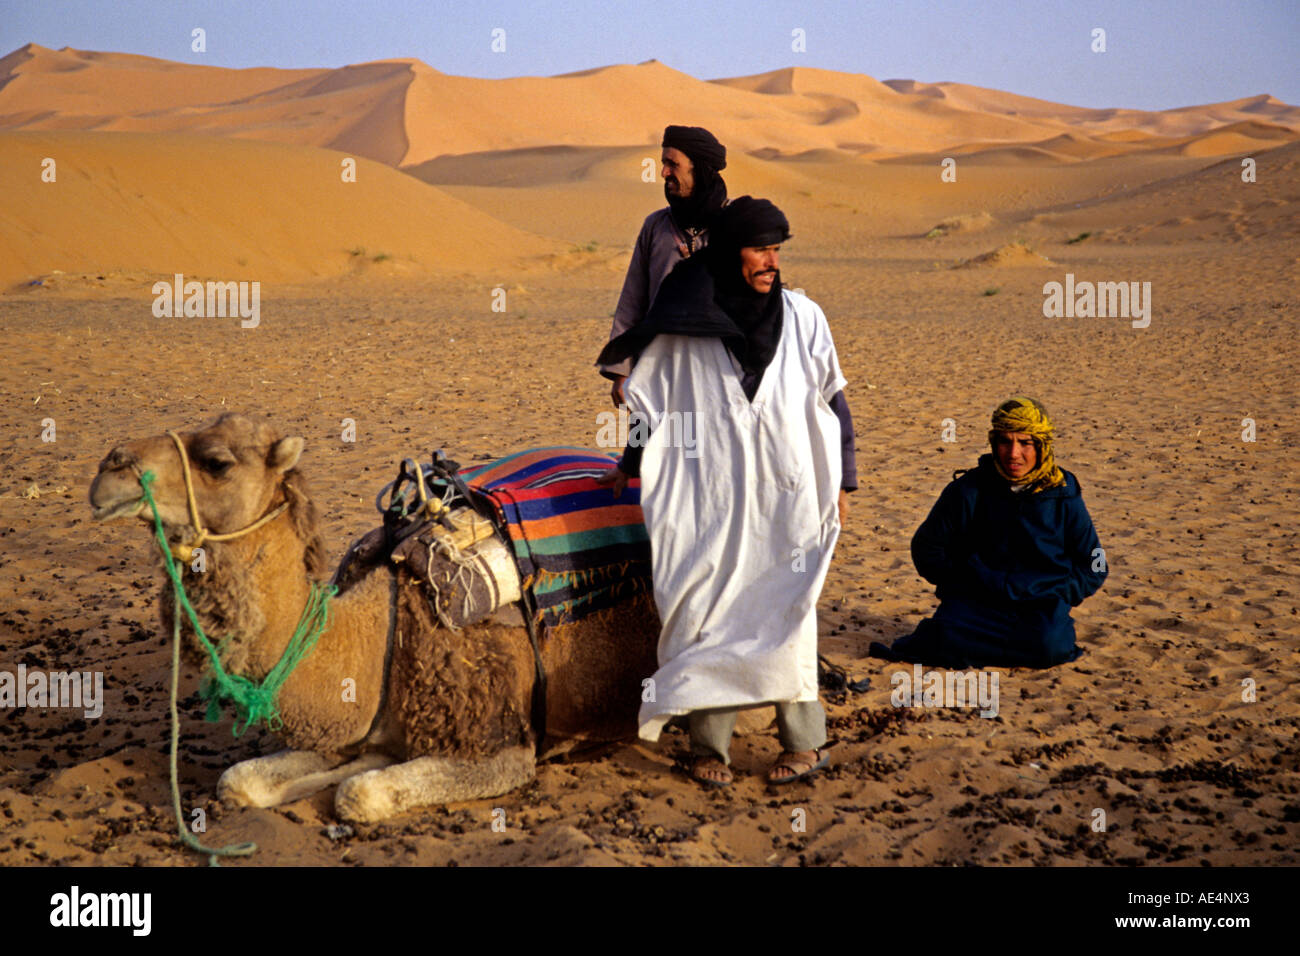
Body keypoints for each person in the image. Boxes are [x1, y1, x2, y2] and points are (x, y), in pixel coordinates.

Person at [596, 197, 856, 788]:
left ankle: (807, 742)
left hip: (789, 495)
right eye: (761, 249)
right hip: (708, 496)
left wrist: (845, 479)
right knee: (708, 610)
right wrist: (630, 463)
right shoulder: (684, 330)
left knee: (788, 609)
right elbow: (649, 405)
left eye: (777, 251)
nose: (772, 261)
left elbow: (834, 403)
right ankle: (708, 748)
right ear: (729, 251)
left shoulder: (804, 316)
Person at [871, 397, 1106, 669]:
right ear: (994, 443)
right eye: (1005, 441)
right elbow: (926, 547)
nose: (1013, 453)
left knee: (1049, 647)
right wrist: (959, 584)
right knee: (943, 640)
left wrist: (1058, 593)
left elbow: (1096, 564)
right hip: (977, 603)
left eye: (1025, 442)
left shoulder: (1063, 494)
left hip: (1039, 606)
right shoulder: (969, 490)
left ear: (1041, 446)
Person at [599, 125, 729, 406]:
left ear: (701, 168)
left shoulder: (736, 225)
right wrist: (621, 372)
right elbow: (632, 303)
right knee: (647, 449)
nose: (664, 173)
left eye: (673, 164)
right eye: (663, 164)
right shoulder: (655, 227)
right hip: (655, 376)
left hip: (720, 376)